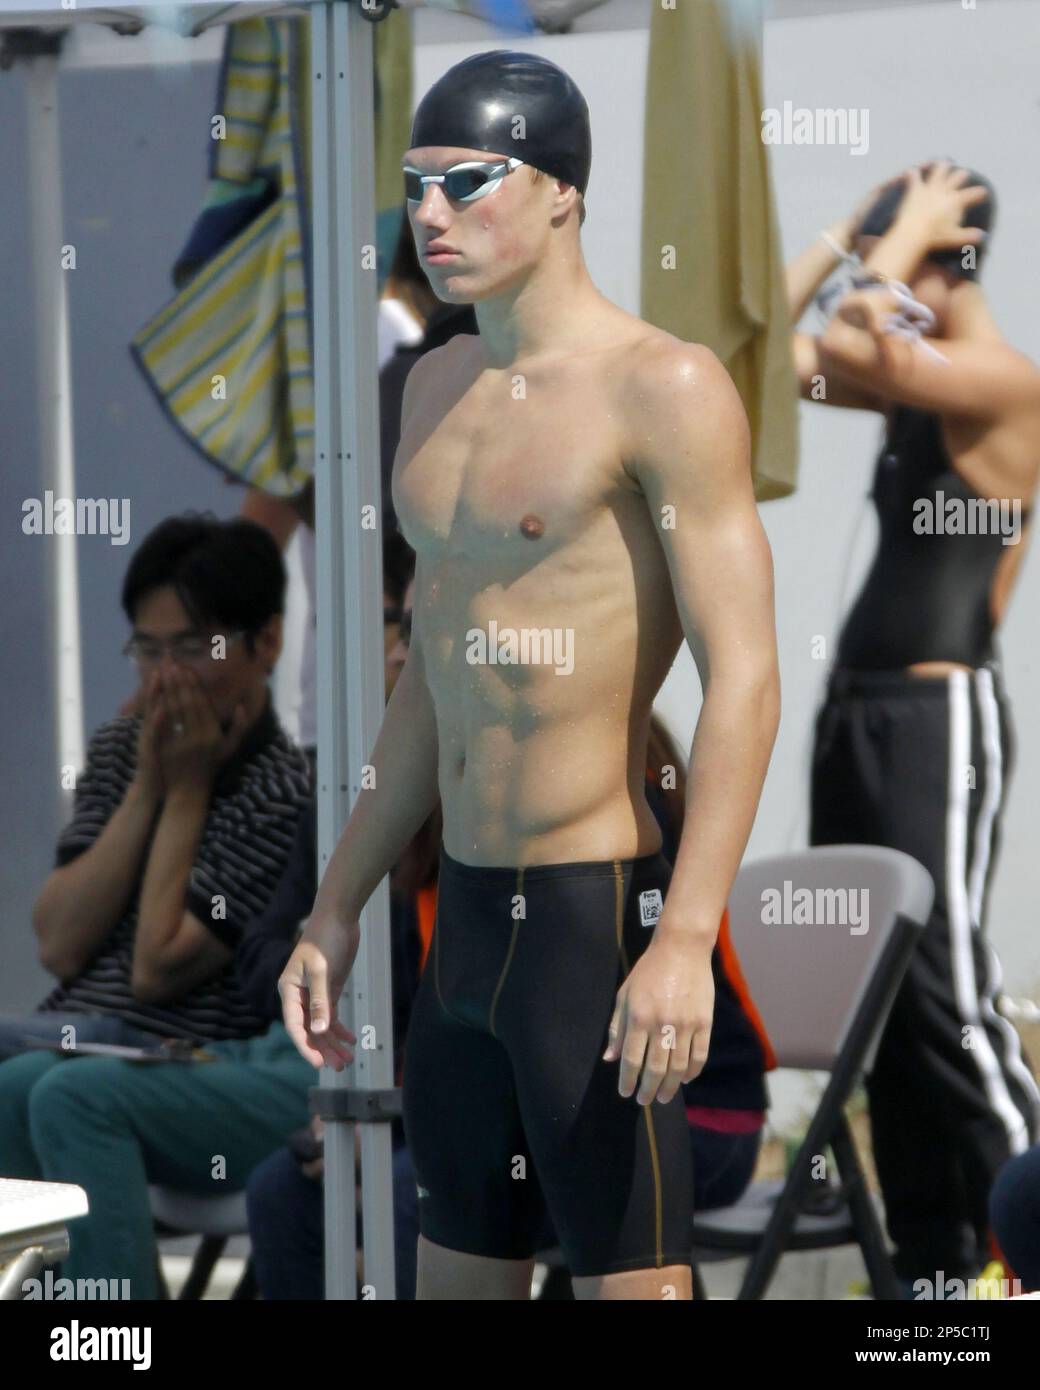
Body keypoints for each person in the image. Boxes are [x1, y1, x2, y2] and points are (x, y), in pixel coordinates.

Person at [280, 49, 780, 1302]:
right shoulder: (436, 387)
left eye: (466, 181)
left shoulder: (661, 386)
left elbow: (748, 677)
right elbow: (425, 685)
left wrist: (686, 938)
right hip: (459, 929)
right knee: (454, 1281)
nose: (430, 215)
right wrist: (337, 906)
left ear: (561, 192)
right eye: (414, 188)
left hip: (590, 927)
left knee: (633, 1286)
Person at [787, 159, 1040, 1294]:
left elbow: (850, 333)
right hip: (862, 712)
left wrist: (893, 244)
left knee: (943, 988)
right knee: (876, 1003)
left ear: (951, 258)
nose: (867, 270)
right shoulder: (915, 379)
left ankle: (1028, 1216)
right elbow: (773, 357)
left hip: (938, 714)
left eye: (901, 251)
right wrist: (854, 226)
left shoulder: (998, 378)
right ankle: (939, 1277)